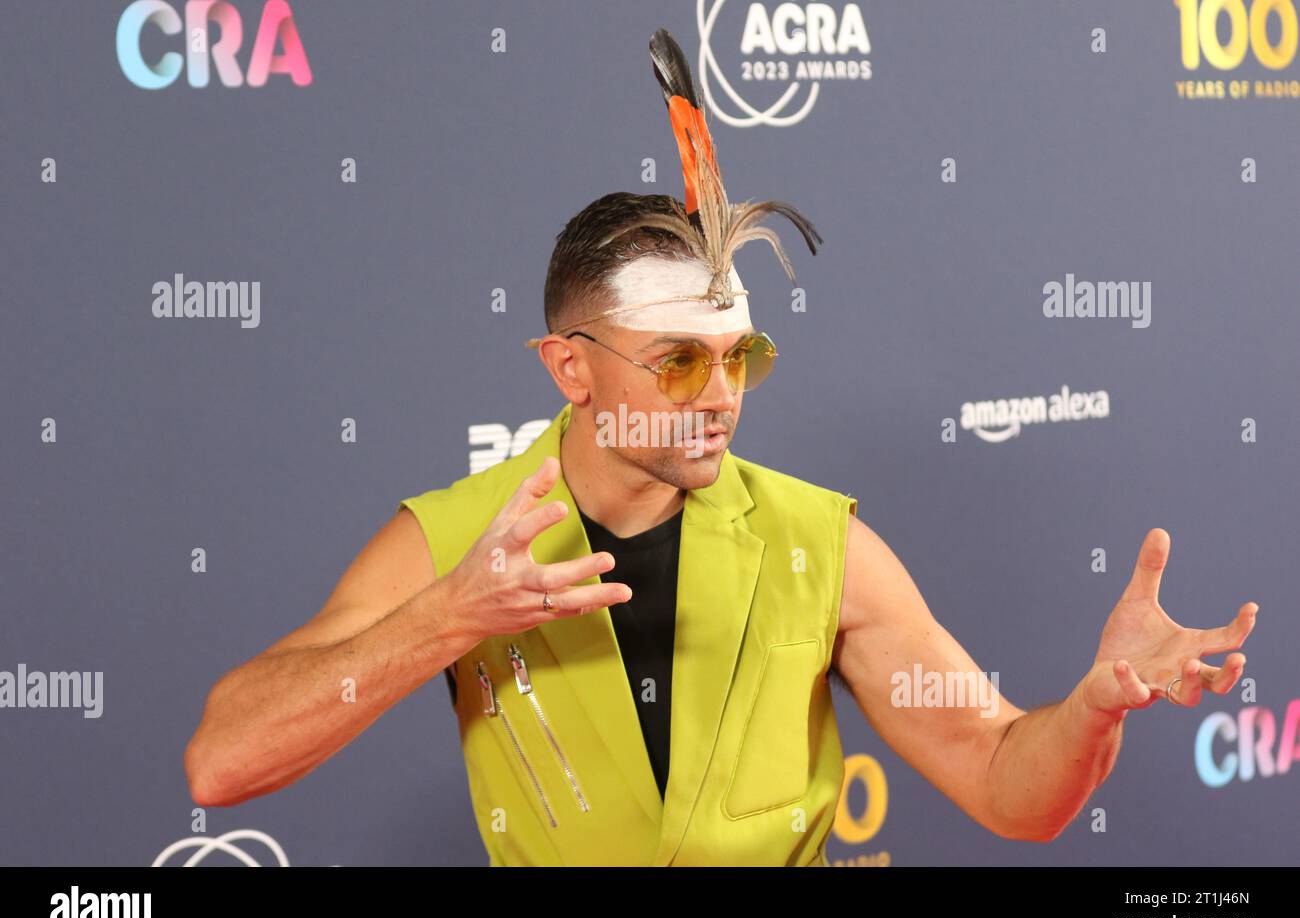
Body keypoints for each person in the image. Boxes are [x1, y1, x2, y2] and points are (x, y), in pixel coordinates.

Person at [182, 29, 1257, 866]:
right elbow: (223, 761)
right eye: (679, 361)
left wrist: (1093, 707)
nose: (722, 396)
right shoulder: (456, 541)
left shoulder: (819, 544)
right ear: (569, 368)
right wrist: (444, 618)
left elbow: (1002, 780)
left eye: (739, 355)